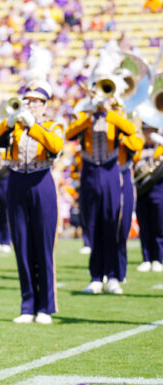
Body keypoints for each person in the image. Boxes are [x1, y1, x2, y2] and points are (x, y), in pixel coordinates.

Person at [0, 80, 64, 324]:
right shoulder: (15, 127)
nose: (30, 105)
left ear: (44, 105)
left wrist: (35, 127)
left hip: (42, 182)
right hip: (17, 182)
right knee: (21, 245)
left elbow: (56, 146)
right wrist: (9, 122)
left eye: (36, 101)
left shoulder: (53, 125)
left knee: (43, 245)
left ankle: (45, 307)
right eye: (28, 100)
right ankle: (27, 305)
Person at [67, 88, 139, 294]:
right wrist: (90, 113)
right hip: (89, 173)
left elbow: (131, 131)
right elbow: (70, 133)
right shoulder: (84, 115)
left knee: (111, 224)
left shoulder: (115, 116)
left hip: (110, 172)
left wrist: (108, 111)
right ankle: (96, 276)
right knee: (92, 224)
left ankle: (114, 275)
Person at [134, 127, 163, 272]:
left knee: (158, 226)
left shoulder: (161, 147)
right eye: (145, 130)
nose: (148, 134)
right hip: (142, 191)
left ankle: (158, 258)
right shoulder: (139, 146)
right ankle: (146, 258)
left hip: (159, 190)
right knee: (144, 227)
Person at [116, 128, 143, 281]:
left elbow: (136, 148)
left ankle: (119, 271)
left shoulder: (128, 130)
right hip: (104, 176)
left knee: (122, 226)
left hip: (123, 177)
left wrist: (123, 137)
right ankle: (103, 271)